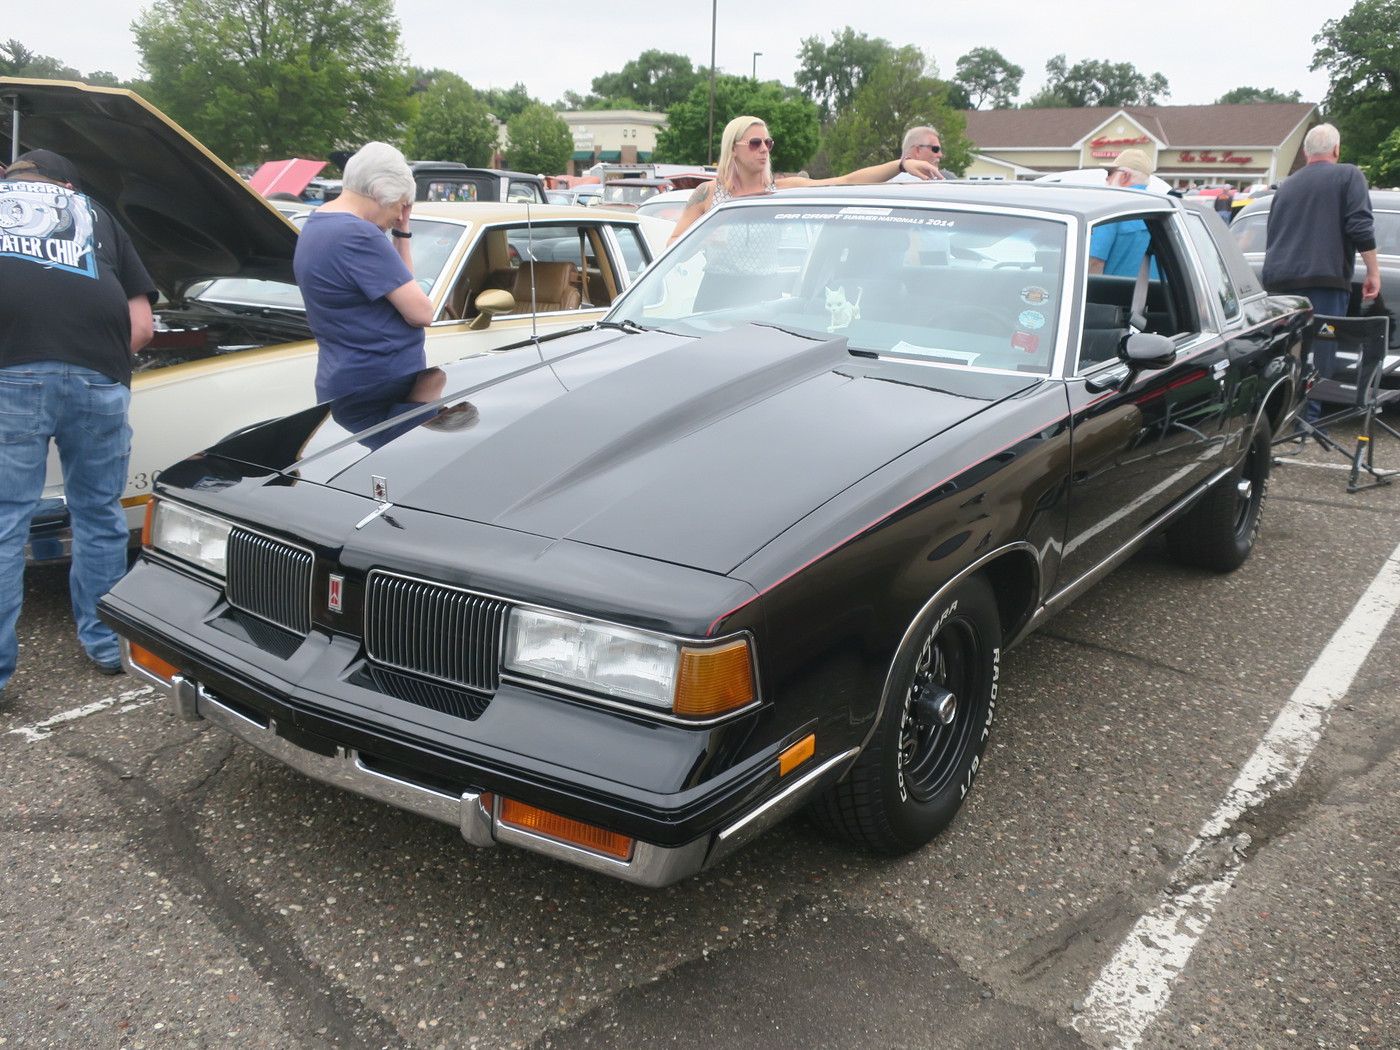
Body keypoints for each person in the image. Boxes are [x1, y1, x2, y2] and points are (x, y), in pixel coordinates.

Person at [0, 149, 157, 697]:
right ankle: (107, 646)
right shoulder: (96, 213)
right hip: (98, 378)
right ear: (67, 185)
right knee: (98, 514)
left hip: (10, 375)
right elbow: (141, 326)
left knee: (5, 522)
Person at [293, 141, 435, 402]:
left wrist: (402, 232)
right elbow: (422, 313)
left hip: (344, 378)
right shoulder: (358, 234)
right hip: (381, 385)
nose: (399, 214)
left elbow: (403, 283)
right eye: (399, 204)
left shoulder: (317, 223)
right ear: (382, 190)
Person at [1262, 123, 1380, 422]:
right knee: (1320, 352)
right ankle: (1310, 422)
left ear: (1305, 152)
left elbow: (1273, 231)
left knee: (1288, 351)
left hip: (1280, 281)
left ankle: (1281, 417)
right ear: (1337, 149)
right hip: (1324, 280)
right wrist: (1372, 272)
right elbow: (1359, 226)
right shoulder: (1348, 175)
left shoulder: (1287, 184)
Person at [668, 115, 938, 243]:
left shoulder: (779, 191)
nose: (763, 148)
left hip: (761, 294)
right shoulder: (708, 193)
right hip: (714, 291)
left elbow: (844, 182)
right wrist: (704, 238)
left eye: (767, 142)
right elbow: (672, 243)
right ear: (733, 149)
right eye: (753, 143)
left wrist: (901, 164)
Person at [1088, 148, 1159, 278]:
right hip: (1157, 295)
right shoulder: (1162, 210)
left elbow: (1095, 262)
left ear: (1124, 176)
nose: (1107, 178)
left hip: (1114, 294)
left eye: (1110, 172)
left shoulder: (1112, 207)